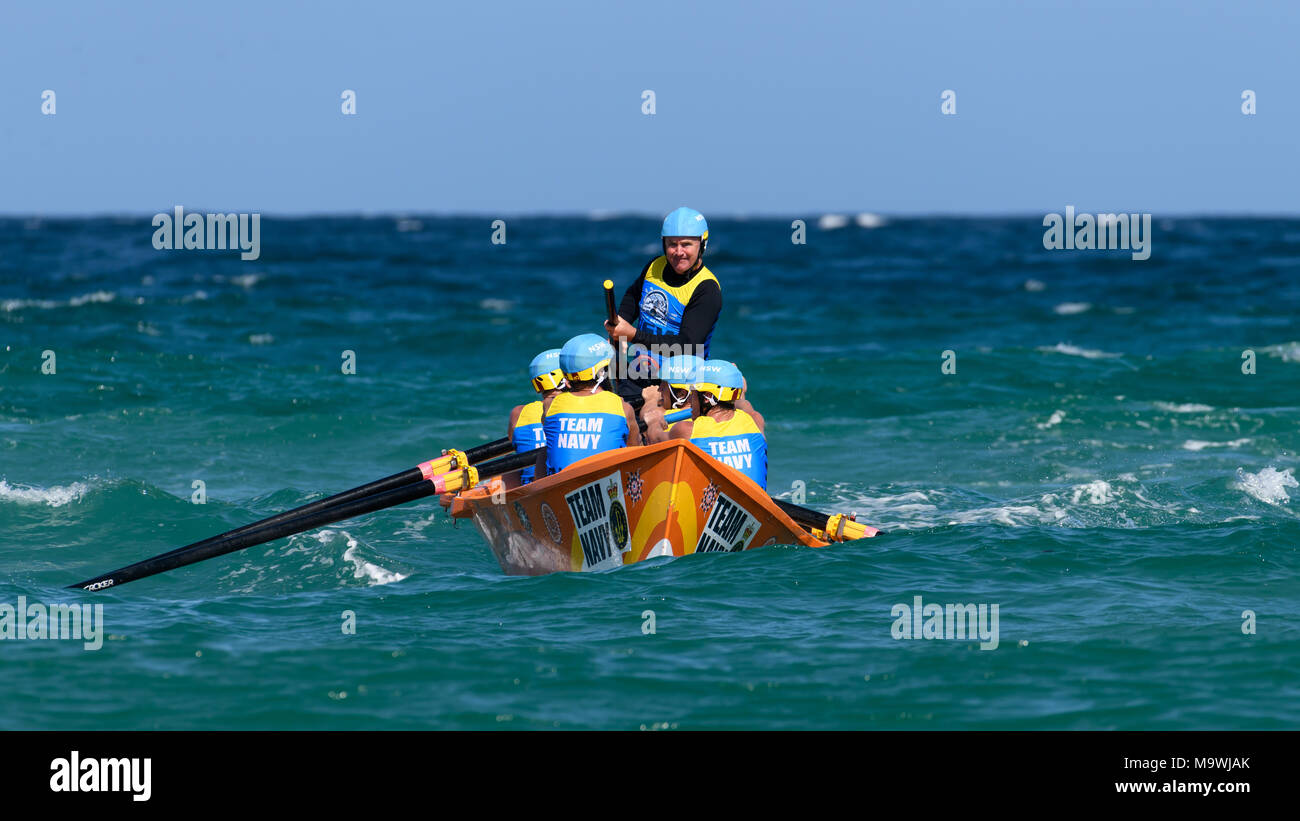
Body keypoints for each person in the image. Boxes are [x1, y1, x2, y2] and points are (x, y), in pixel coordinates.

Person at [603, 207, 722, 399]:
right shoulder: (654, 266)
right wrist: (620, 322)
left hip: (681, 381)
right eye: (672, 244)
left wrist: (632, 334)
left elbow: (687, 345)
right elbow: (634, 295)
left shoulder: (707, 289)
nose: (678, 252)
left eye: (686, 244)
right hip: (640, 370)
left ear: (702, 245)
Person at [536, 334, 642, 478]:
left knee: (545, 450)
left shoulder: (550, 405)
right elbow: (636, 455)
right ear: (602, 371)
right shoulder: (623, 407)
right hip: (609, 486)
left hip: (562, 486)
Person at [668, 360, 767, 490]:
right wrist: (736, 387)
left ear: (707, 397)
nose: (690, 401)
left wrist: (651, 411)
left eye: (692, 393)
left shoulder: (685, 430)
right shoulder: (755, 421)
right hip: (754, 506)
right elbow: (743, 404)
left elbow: (654, 436)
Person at [507, 349, 566, 484]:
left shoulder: (518, 413)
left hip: (530, 488)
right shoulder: (579, 405)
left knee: (510, 459)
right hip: (563, 481)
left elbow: (513, 442)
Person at [640, 354, 704, 444]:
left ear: (682, 394)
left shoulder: (665, 417)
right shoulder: (716, 416)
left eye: (664, 385)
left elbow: (648, 415)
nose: (659, 389)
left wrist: (651, 399)